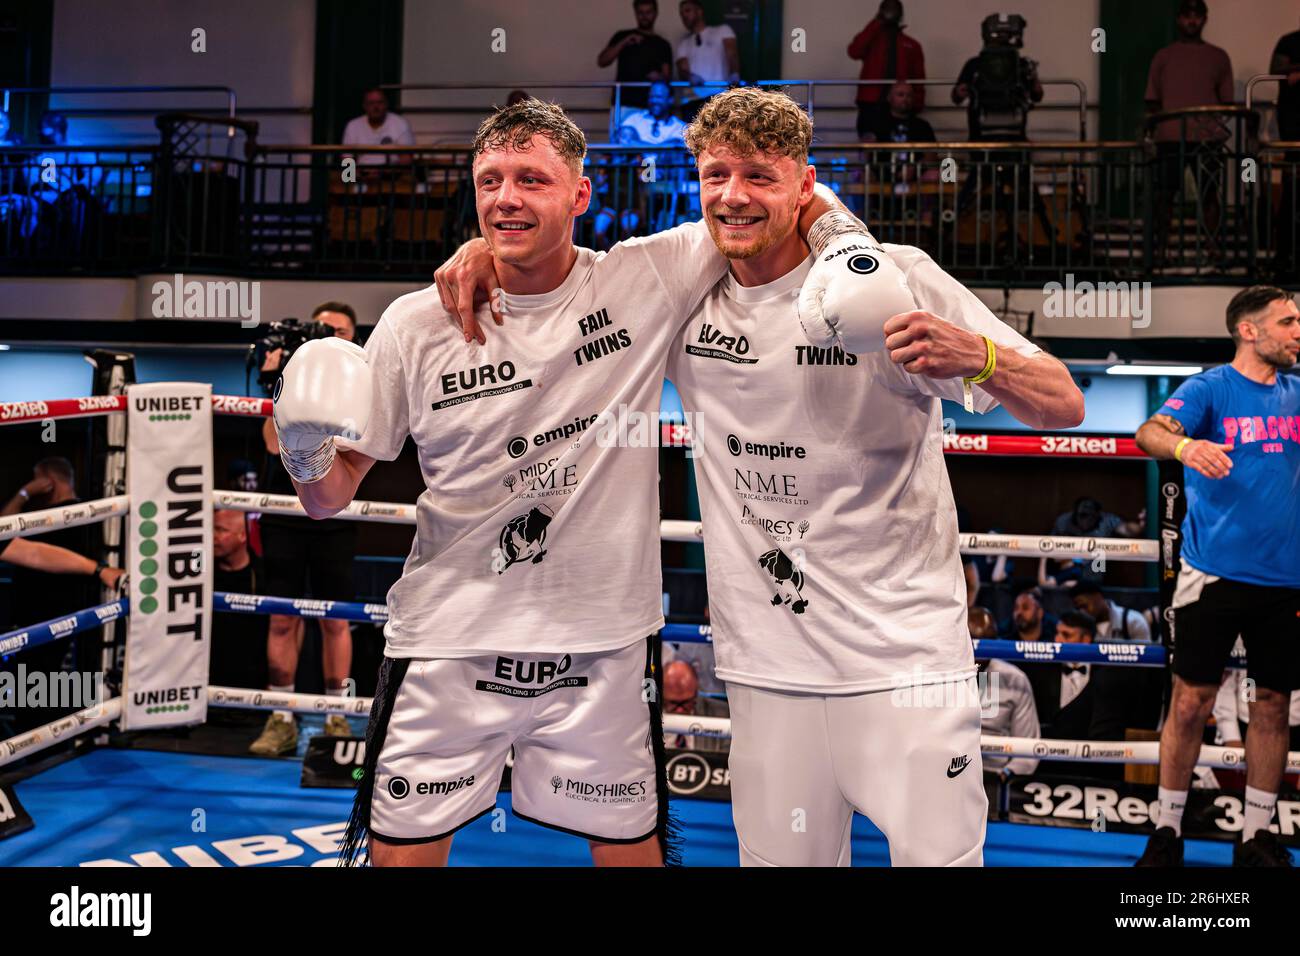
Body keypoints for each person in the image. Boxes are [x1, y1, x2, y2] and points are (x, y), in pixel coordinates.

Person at [289, 97, 852, 867]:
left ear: (580, 195)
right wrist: (298, 445)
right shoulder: (416, 324)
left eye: (532, 179)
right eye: (490, 181)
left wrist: (856, 255)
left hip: (603, 648)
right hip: (449, 642)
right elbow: (328, 499)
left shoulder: (644, 279)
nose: (506, 198)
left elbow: (776, 193)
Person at [662, 88, 1079, 866]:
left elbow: (1064, 401)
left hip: (904, 666)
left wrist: (980, 357)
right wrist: (486, 249)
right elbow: (562, 280)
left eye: (759, 175)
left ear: (805, 184)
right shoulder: (682, 292)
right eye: (715, 174)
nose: (733, 195)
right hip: (766, 669)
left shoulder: (900, 279)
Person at [1134, 285, 1300, 867]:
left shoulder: (1298, 394)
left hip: (1285, 583)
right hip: (1213, 576)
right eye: (1287, 321)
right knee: (1189, 703)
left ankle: (1256, 837)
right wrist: (1185, 448)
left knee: (1274, 703)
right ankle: (1166, 831)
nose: (1298, 330)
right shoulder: (1210, 387)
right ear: (1249, 331)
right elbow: (1148, 433)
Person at [249, 303, 361, 756]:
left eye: (339, 331)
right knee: (282, 615)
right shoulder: (290, 379)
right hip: (286, 515)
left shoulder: (359, 383)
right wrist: (275, 382)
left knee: (336, 618)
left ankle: (337, 715)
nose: (331, 336)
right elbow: (275, 446)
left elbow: (352, 446)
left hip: (336, 514)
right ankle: (280, 718)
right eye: (323, 330)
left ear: (353, 338)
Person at [1145, 0, 1234, 266]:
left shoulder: (1218, 56)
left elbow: (1227, 99)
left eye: (1197, 16)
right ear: (1179, 19)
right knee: (1165, 194)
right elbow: (1151, 100)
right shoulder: (1164, 56)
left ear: (1205, 19)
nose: (1192, 21)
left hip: (1206, 136)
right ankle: (1162, 248)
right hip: (1171, 135)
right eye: (1187, 16)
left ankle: (1212, 246)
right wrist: (1150, 133)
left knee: (1209, 193)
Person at [969, 607, 1039, 779]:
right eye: (976, 642)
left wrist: (1007, 775)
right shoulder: (940, 676)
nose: (981, 652)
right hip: (944, 771)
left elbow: (1028, 745)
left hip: (995, 774)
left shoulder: (1014, 679)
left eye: (987, 641)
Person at [847, 1, 927, 141]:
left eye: (895, 10)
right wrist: (876, 21)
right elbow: (854, 51)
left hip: (899, 106)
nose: (891, 12)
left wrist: (917, 104)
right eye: (887, 9)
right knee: (869, 145)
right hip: (871, 102)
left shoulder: (912, 45)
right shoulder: (871, 40)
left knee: (898, 145)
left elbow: (918, 77)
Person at [598, 0, 675, 111]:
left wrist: (658, 77)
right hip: (623, 103)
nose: (644, 16)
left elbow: (667, 76)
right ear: (635, 13)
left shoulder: (663, 44)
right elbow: (602, 61)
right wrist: (625, 41)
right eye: (640, 13)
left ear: (655, 13)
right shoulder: (622, 35)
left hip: (651, 105)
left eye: (648, 12)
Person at [675, 0, 738, 111]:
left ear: (699, 11)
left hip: (718, 97)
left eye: (687, 10)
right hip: (692, 100)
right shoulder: (683, 43)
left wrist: (734, 73)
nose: (684, 15)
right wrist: (690, 76)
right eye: (681, 13)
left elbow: (732, 55)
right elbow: (682, 69)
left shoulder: (722, 31)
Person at [663, 659, 729, 752]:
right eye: (673, 703)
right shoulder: (645, 720)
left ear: (696, 693)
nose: (680, 710)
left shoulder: (723, 715)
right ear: (661, 696)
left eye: (686, 702)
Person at [341, 88, 415, 166]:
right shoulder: (353, 126)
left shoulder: (400, 123)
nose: (376, 107)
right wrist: (356, 175)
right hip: (361, 174)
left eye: (380, 102)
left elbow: (406, 158)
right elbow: (347, 158)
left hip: (392, 174)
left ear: (386, 104)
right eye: (371, 103)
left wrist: (386, 174)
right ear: (364, 106)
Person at [1070, 580, 1151, 642]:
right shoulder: (1081, 627)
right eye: (1078, 609)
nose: (1082, 612)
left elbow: (1147, 657)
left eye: (1084, 606)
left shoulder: (1133, 621)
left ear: (1098, 597)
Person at [617, 80, 688, 146]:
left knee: (675, 143)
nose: (654, 101)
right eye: (651, 97)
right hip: (638, 159)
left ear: (670, 100)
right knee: (627, 131)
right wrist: (661, 149)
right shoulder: (634, 119)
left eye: (659, 97)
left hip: (665, 159)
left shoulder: (680, 127)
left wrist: (638, 145)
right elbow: (621, 140)